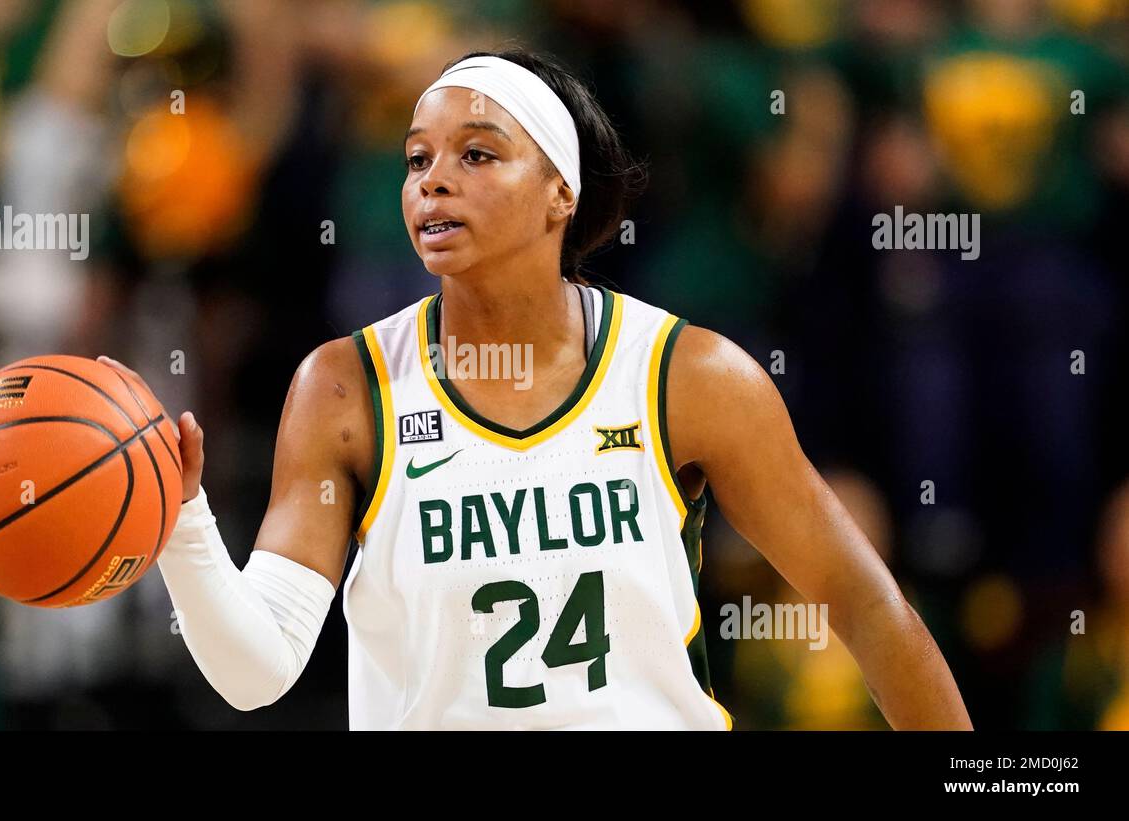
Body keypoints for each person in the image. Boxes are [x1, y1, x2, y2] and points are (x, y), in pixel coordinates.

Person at [100, 48, 971, 730]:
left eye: (478, 153)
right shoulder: (344, 386)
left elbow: (863, 600)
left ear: (561, 190)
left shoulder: (688, 375)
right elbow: (259, 672)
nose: (433, 179)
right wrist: (182, 522)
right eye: (417, 158)